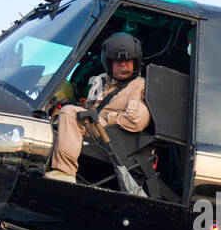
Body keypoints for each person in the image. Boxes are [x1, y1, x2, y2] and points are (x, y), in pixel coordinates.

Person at [45, 32, 149, 183]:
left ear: (136, 61)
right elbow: (89, 107)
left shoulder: (139, 85)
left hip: (113, 136)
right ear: (108, 63)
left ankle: (64, 172)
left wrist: (107, 117)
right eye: (118, 61)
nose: (124, 65)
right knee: (57, 116)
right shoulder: (100, 81)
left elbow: (137, 121)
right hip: (95, 127)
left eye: (128, 60)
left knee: (69, 112)